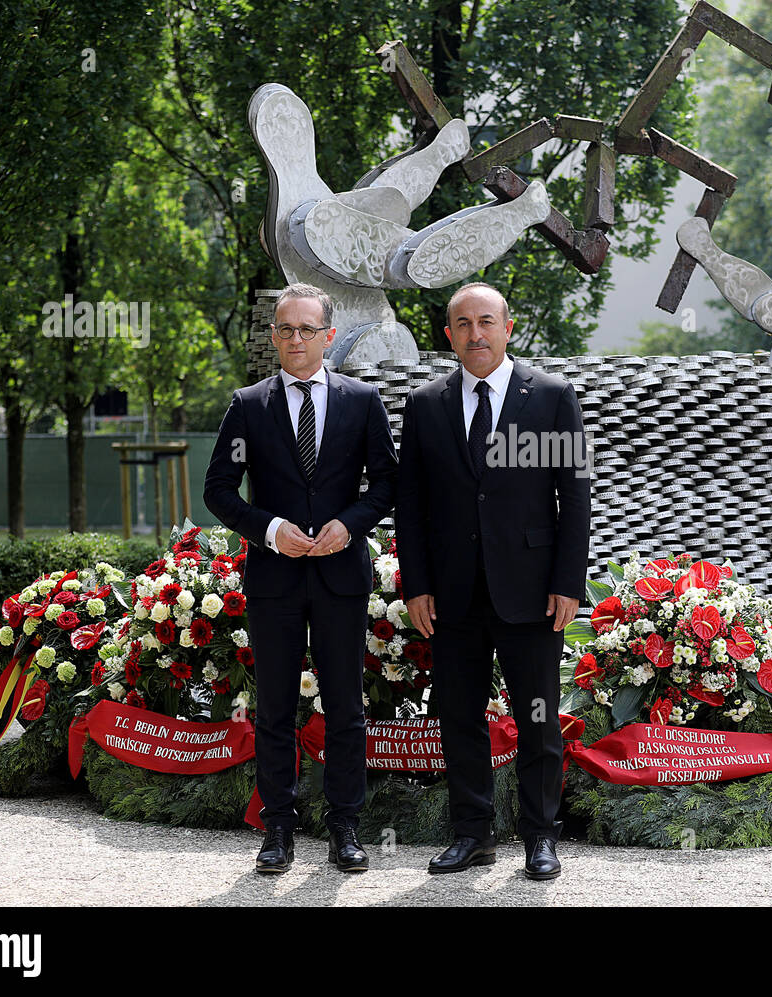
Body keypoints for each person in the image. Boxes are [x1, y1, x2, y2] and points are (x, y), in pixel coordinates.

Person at [395, 281, 591, 880]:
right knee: (459, 717)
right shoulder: (426, 403)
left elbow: (574, 496)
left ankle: (539, 837)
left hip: (532, 592)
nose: (475, 334)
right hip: (452, 594)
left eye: (486, 322)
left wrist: (567, 581)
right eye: (462, 324)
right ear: (448, 334)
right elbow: (411, 504)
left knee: (537, 716)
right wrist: (416, 585)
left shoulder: (553, 397)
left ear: (508, 328)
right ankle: (472, 834)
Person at [204, 282, 397, 875]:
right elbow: (218, 490)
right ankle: (278, 830)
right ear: (274, 337)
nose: (296, 339)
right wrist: (269, 528)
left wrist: (351, 523)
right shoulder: (248, 404)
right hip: (276, 579)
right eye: (286, 329)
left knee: (345, 708)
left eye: (307, 329)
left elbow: (389, 485)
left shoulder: (363, 401)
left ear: (328, 336)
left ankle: (345, 828)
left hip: (340, 574)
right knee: (274, 710)